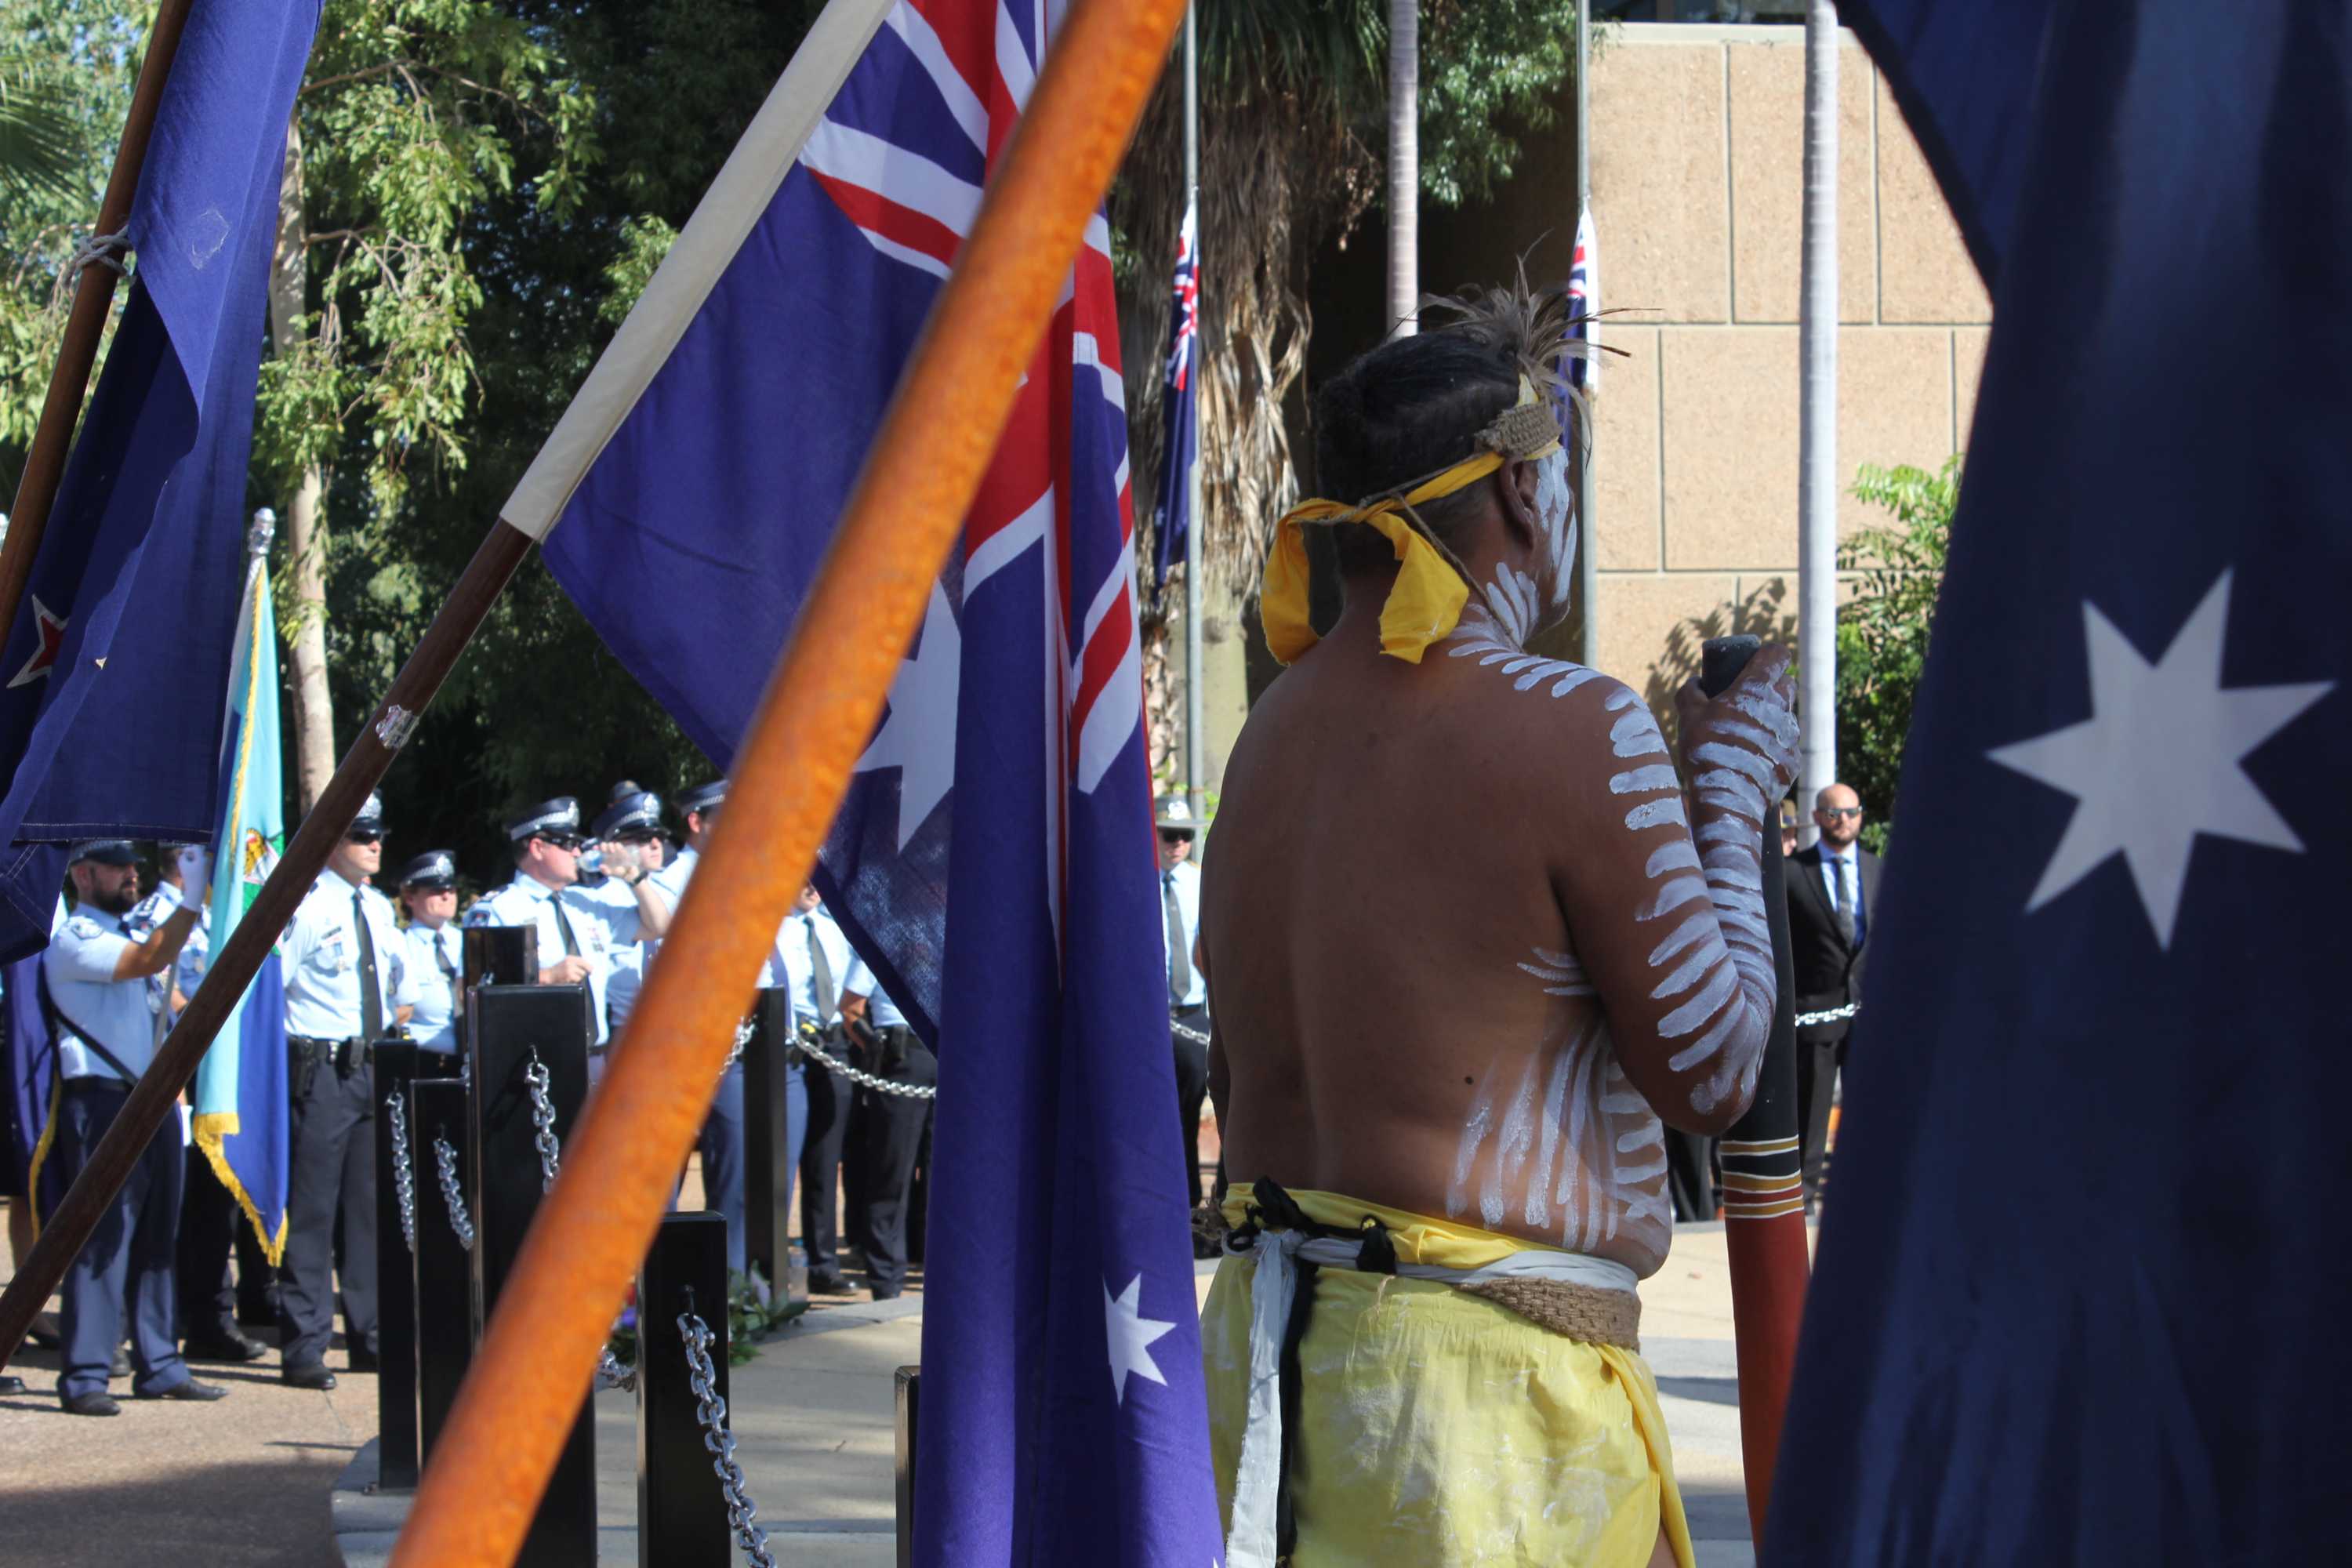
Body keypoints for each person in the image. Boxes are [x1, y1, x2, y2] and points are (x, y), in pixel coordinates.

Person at [1196, 283, 1799, 1567]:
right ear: (1525, 497)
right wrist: (1731, 797)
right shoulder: (1575, 726)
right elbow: (1711, 1075)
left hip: (1269, 1381)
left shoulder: (1264, 743)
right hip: (1475, 1418)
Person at [43, 840, 222, 1414]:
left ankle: (160, 1362)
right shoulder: (76, 937)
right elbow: (148, 963)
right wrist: (192, 899)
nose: (130, 875)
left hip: (151, 1098)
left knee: (156, 1238)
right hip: (101, 1100)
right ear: (82, 873)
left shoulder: (126, 931)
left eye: (133, 868)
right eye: (116, 868)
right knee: (102, 1240)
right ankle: (87, 1374)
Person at [278, 793, 409, 1388]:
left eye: (380, 832)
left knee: (367, 1209)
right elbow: (269, 989)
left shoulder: (379, 909)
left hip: (370, 1066)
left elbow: (401, 987)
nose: (376, 843)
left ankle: (369, 1336)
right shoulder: (307, 906)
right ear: (332, 841)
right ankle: (304, 1346)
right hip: (322, 1070)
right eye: (362, 835)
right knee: (312, 1211)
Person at [463, 797, 671, 1073]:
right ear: (537, 848)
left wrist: (634, 877)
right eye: (568, 845)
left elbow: (658, 926)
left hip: (595, 1059)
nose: (578, 853)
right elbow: (479, 993)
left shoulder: (584, 902)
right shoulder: (500, 909)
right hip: (537, 1062)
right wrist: (547, 977)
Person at [1783, 782, 1881, 1208]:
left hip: (1869, 1015)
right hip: (1814, 1014)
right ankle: (1801, 1200)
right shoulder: (1792, 873)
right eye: (1835, 813)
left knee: (1871, 1113)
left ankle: (1864, 1194)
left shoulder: (1878, 869)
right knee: (1812, 1114)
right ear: (1819, 817)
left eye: (1852, 811)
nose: (1845, 820)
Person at [839, 956, 934, 1301]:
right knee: (892, 1172)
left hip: (948, 1049)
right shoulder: (883, 934)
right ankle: (886, 1280)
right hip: (902, 1053)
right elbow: (850, 1009)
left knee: (945, 1176)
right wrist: (876, 1050)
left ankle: (934, 1269)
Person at [1156, 794, 1210, 1209]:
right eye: (1168, 835)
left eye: (1184, 836)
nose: (1177, 843)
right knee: (1154, 1119)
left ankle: (1189, 1206)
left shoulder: (1201, 883)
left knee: (1187, 1116)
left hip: (1193, 1017)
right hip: (1152, 1019)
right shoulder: (1136, 882)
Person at [397, 850, 464, 1061]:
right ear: (410, 897)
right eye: (437, 890)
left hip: (472, 1060)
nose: (447, 896)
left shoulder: (467, 941)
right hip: (424, 1059)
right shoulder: (400, 946)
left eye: (451, 889)